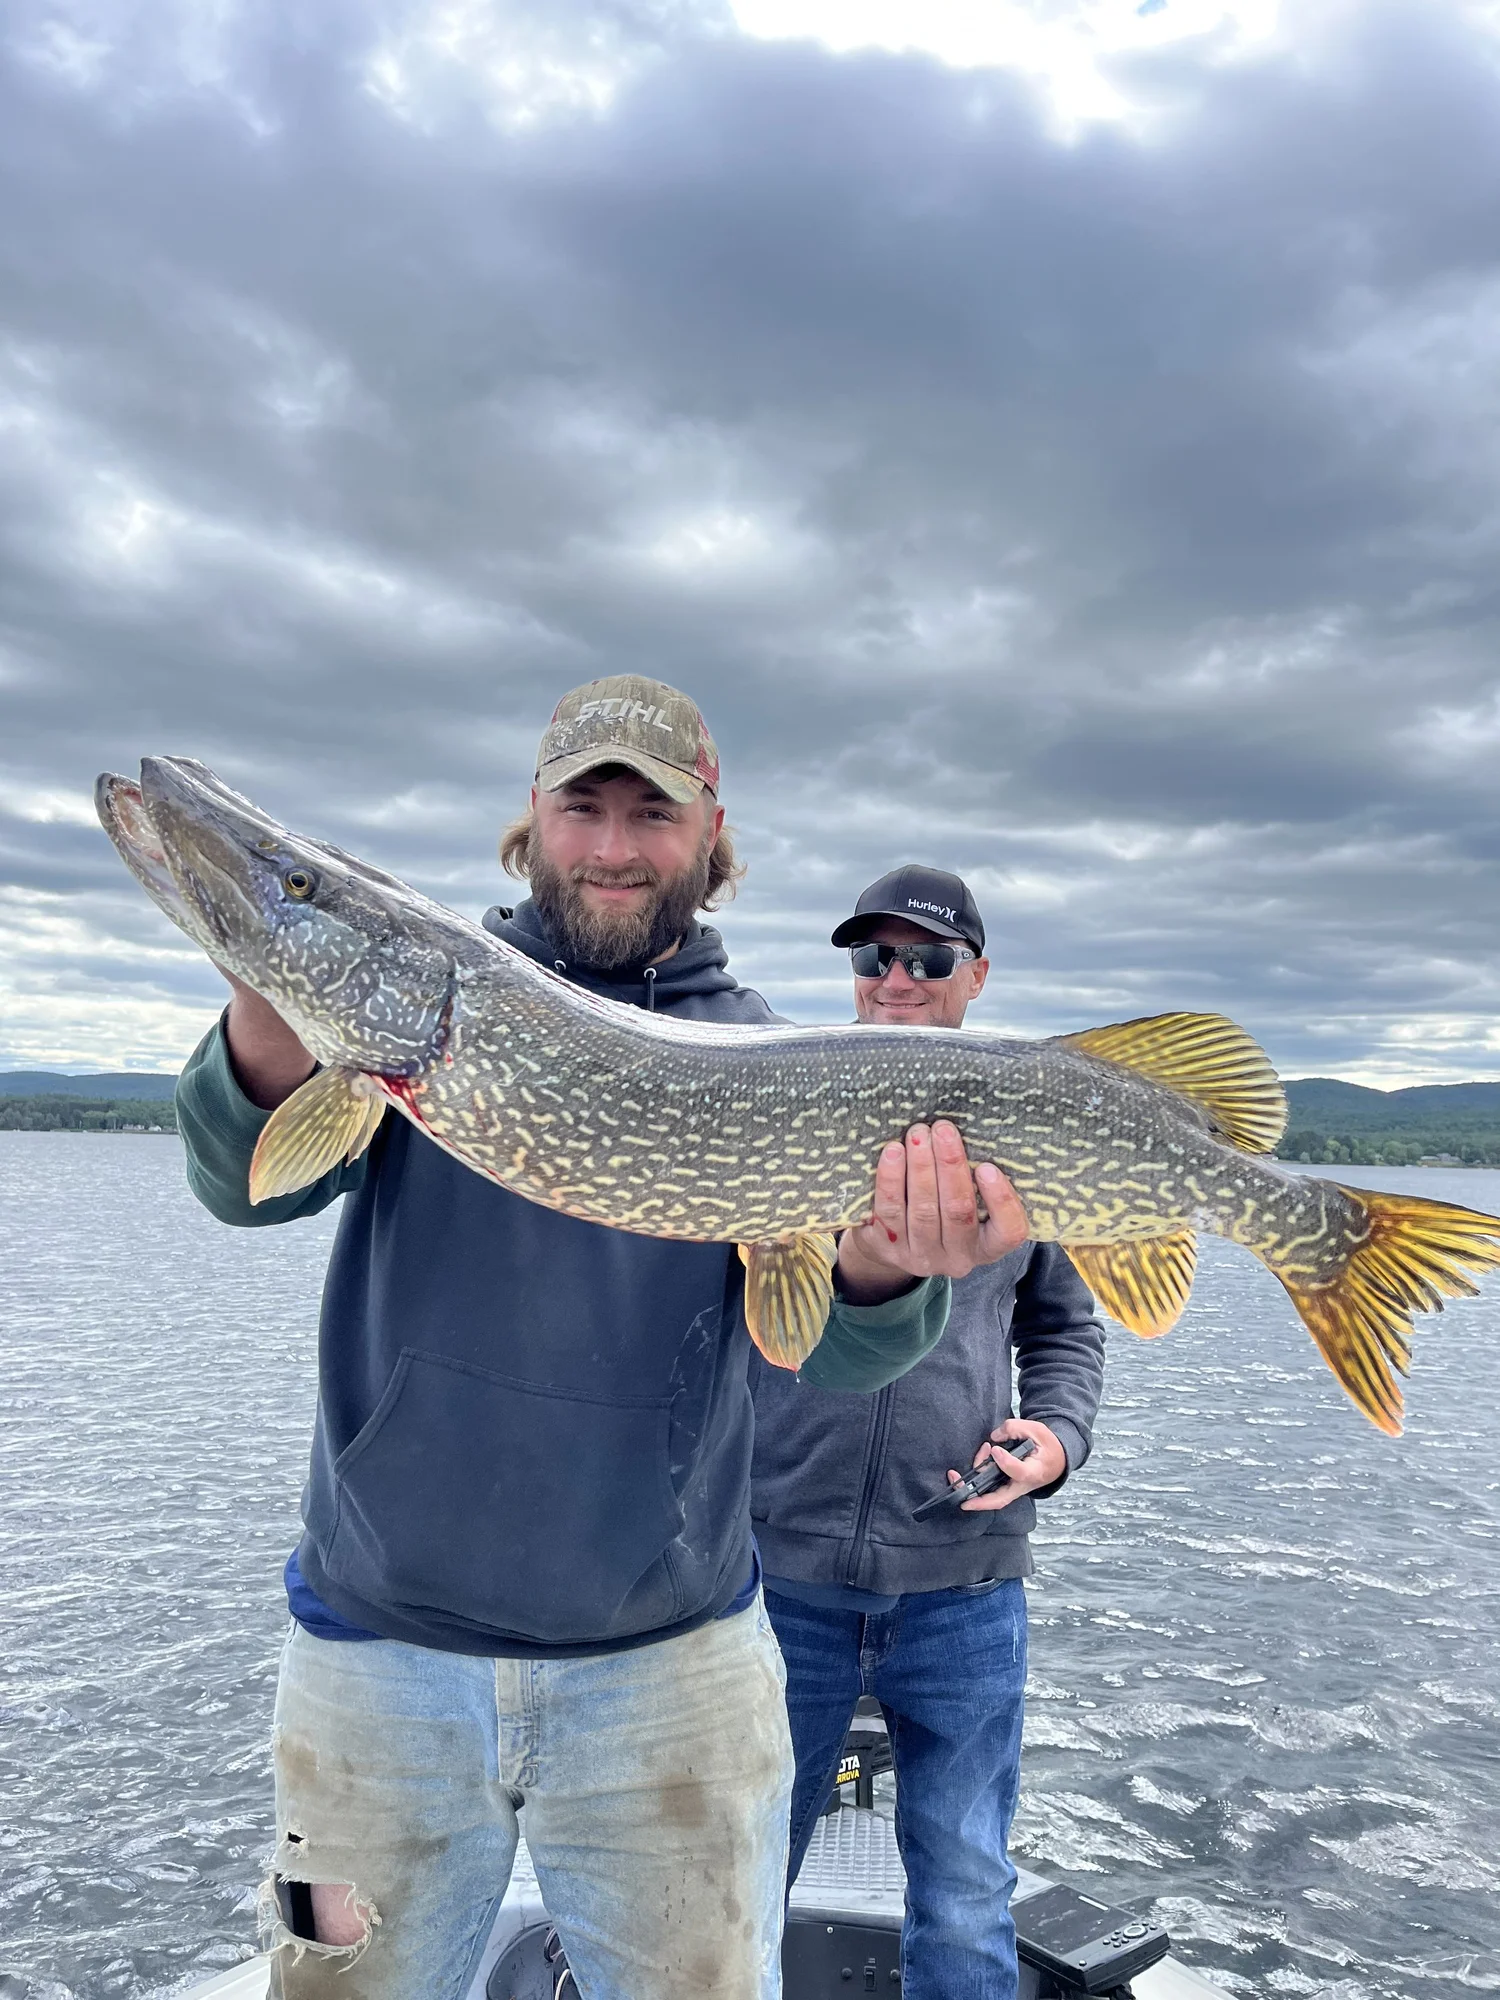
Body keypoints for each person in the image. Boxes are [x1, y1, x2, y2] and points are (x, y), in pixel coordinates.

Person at [175, 685, 1029, 2000]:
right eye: (585, 806)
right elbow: (245, 1182)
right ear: (534, 818)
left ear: (710, 834)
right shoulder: (422, 1008)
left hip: (672, 1671)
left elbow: (836, 1354)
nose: (616, 846)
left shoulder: (770, 1053)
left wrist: (876, 1268)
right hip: (374, 1657)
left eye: (653, 813)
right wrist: (272, 1001)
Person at [750, 865, 1107, 2000]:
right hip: (777, 1575)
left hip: (965, 1583)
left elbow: (1066, 1333)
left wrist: (1056, 1441)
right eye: (873, 958)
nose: (897, 979)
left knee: (963, 1889)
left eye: (929, 958)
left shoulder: (1026, 1145)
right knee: (738, 1881)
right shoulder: (779, 1107)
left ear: (977, 977)